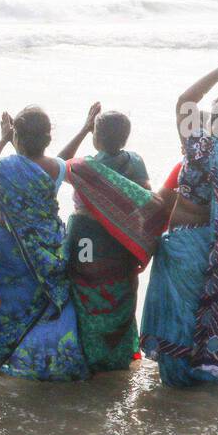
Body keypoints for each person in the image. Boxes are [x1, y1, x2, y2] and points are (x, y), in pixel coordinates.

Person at [140, 37, 218, 388]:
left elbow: (185, 101)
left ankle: (188, 378)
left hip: (189, 245)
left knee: (184, 309)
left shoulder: (201, 149)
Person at [0, 105, 89, 380]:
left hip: (5, 249)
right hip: (47, 247)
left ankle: (4, 358)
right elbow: (60, 160)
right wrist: (86, 129)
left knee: (3, 307)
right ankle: (41, 361)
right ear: (48, 139)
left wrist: (3, 138)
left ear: (17, 137)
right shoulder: (56, 168)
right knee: (41, 305)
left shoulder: (3, 167)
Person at [58, 103, 158, 373]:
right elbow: (144, 198)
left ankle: (90, 355)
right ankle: (117, 356)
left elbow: (58, 164)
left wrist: (82, 129)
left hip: (87, 242)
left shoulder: (85, 167)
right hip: (120, 242)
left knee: (85, 289)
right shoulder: (135, 161)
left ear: (96, 136)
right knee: (120, 291)